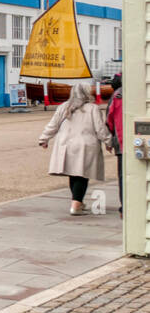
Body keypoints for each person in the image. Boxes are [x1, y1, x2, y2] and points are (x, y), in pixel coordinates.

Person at [38, 82, 110, 216]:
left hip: (66, 144)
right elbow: (100, 129)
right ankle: (76, 205)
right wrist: (109, 141)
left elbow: (53, 125)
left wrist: (44, 139)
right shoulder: (92, 108)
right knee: (82, 175)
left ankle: (78, 202)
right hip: (85, 145)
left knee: (73, 174)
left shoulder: (63, 107)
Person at [107, 74, 123, 216]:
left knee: (123, 175)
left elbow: (109, 119)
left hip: (120, 141)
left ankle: (124, 206)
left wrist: (110, 139)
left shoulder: (116, 96)